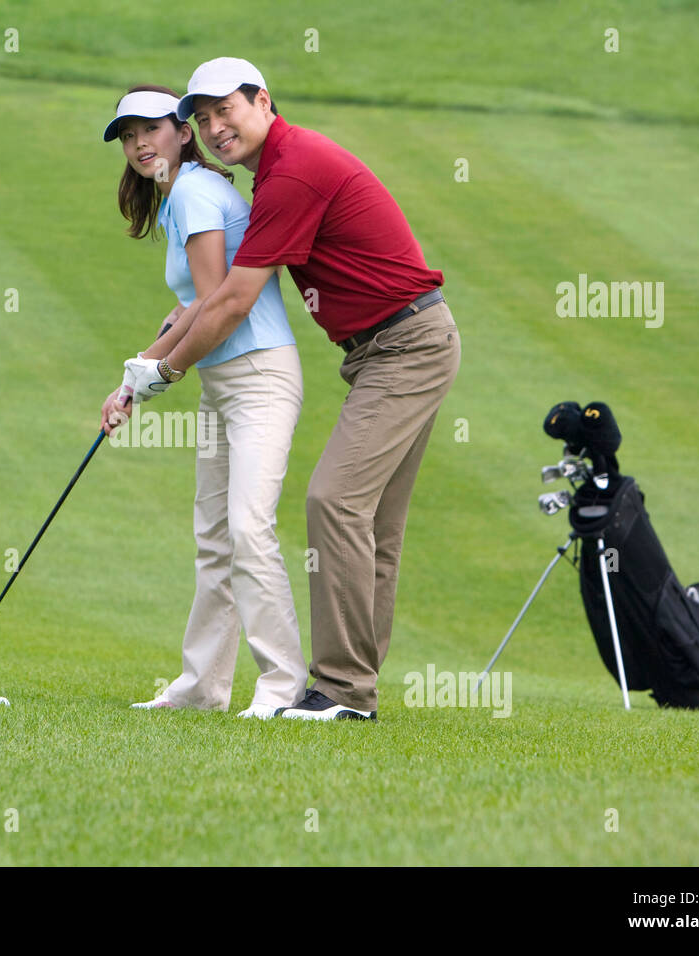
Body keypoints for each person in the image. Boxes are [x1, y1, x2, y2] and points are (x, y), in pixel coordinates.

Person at [120, 59, 461, 720]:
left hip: (406, 345)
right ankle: (349, 688)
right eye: (206, 117)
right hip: (383, 350)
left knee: (333, 502)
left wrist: (162, 373)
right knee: (373, 527)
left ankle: (339, 689)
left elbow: (230, 305)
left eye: (228, 111)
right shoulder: (270, 175)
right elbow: (209, 298)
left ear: (262, 101)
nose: (217, 128)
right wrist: (153, 356)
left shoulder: (293, 170)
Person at [99, 85, 308, 718]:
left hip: (259, 377)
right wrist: (135, 378)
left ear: (182, 132)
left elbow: (217, 303)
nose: (140, 144)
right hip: (226, 381)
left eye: (152, 129)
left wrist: (161, 373)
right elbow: (192, 306)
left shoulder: (191, 192)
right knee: (215, 538)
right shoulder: (182, 197)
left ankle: (282, 687)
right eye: (128, 134)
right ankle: (201, 689)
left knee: (247, 528)